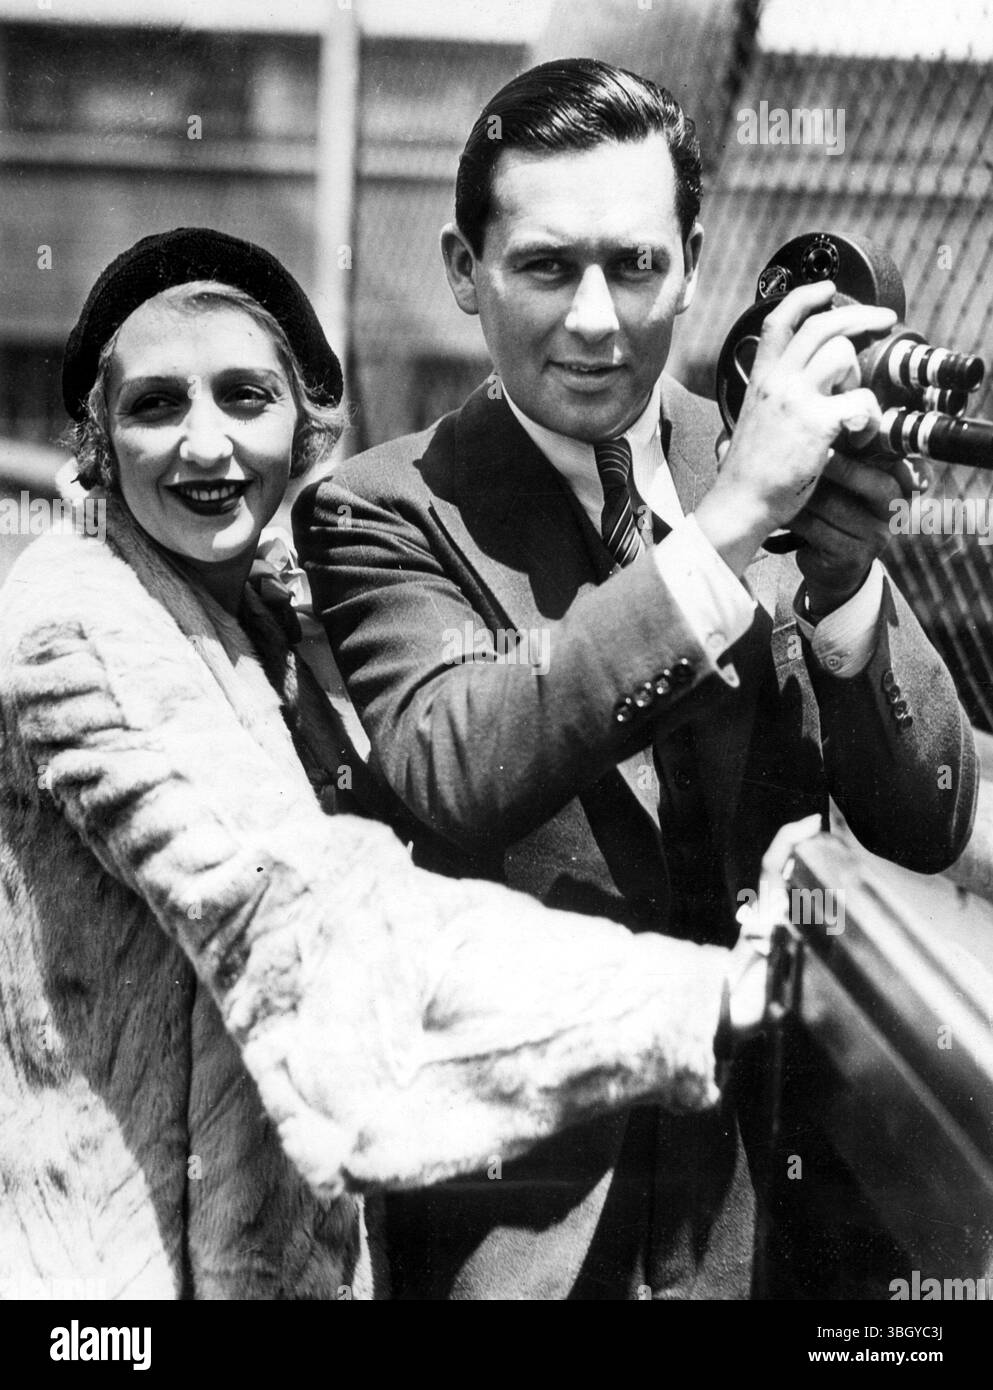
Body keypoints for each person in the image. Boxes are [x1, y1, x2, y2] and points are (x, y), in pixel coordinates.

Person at [294, 59, 978, 1299]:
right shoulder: (379, 508)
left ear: (695, 258)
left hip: (793, 1216)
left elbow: (929, 814)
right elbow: (460, 763)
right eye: (547, 267)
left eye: (637, 265)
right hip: (531, 1226)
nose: (598, 320)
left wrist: (845, 590)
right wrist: (729, 527)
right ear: (465, 270)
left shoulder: (759, 447)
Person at [0, 226, 776, 1302]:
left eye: (244, 396)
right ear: (99, 439)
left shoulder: (232, 612)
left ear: (303, 425)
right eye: (156, 406)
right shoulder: (81, 626)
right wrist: (702, 997)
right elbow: (322, 938)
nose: (207, 445)